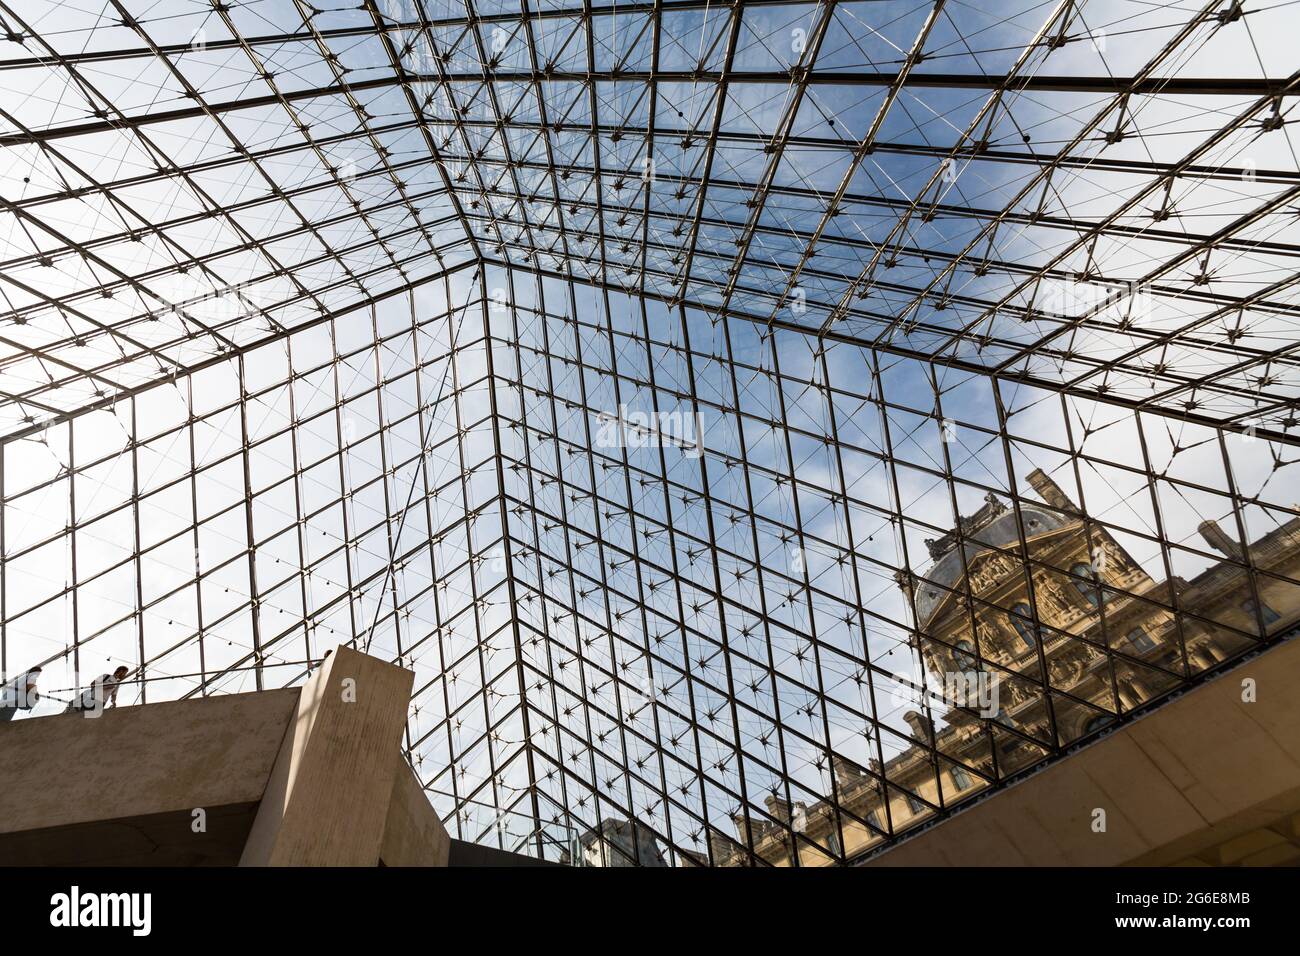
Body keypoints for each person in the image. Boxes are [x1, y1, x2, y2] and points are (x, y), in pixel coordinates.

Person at [65, 666, 129, 716]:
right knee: (82, 716)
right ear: (120, 671)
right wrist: (105, 686)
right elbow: (92, 684)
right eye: (125, 673)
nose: (125, 675)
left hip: (102, 703)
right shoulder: (105, 676)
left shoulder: (117, 684)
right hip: (92, 698)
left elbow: (114, 695)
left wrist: (113, 702)